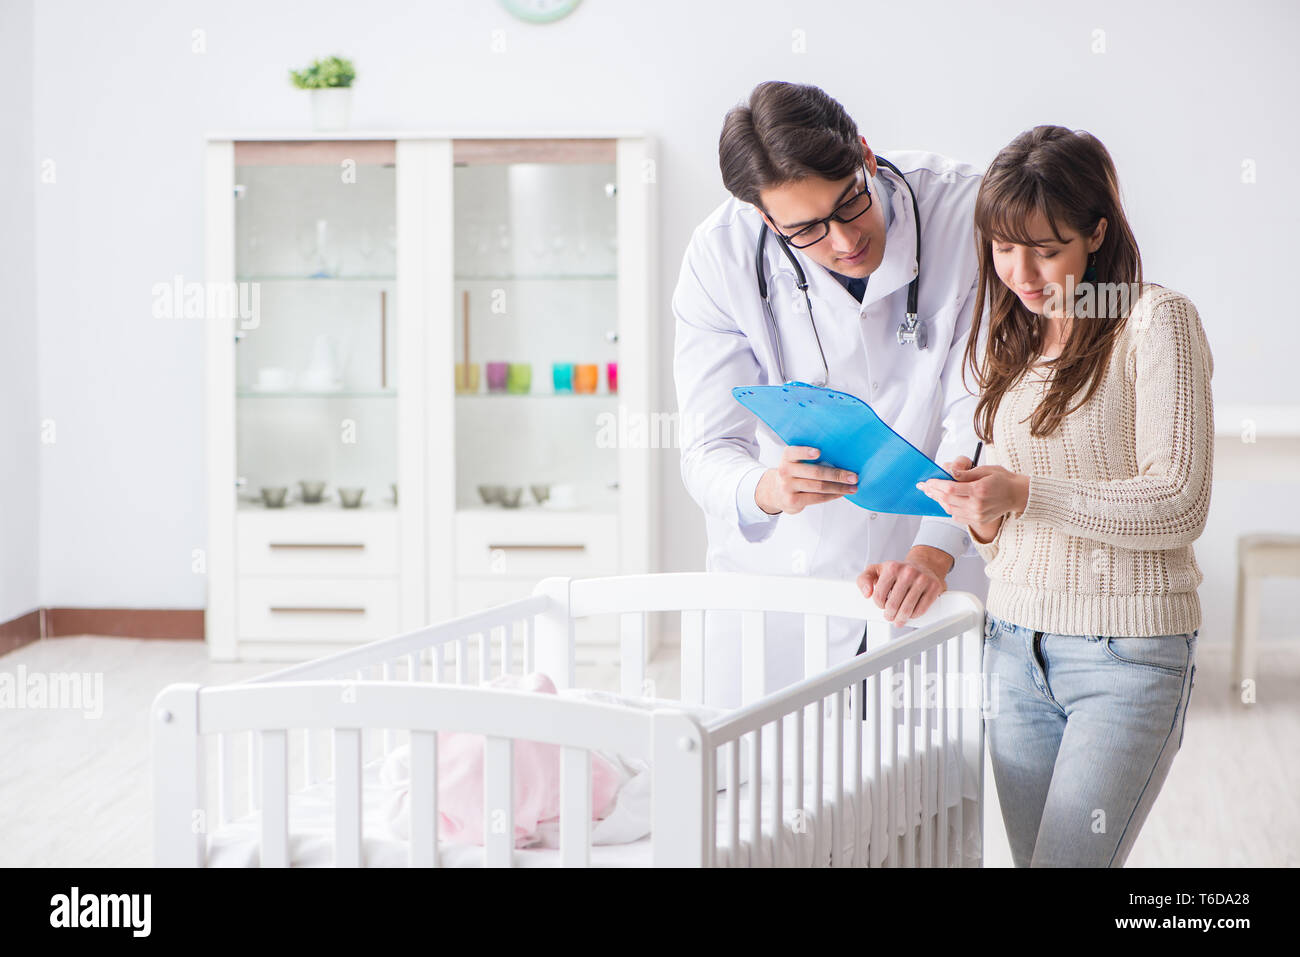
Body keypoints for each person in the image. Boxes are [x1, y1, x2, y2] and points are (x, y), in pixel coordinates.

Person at [918, 125, 1213, 867]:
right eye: (1003, 246)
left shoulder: (1155, 321)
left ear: (1097, 234)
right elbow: (1017, 518)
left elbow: (1178, 500)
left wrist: (1024, 490)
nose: (1021, 270)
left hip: (1126, 656)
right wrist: (984, 513)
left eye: (1047, 249)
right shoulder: (1010, 340)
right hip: (1013, 647)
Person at [672, 80, 988, 709]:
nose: (844, 241)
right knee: (748, 789)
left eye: (850, 204)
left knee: (926, 796)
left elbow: (978, 408)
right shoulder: (720, 257)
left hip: (932, 571)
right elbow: (708, 446)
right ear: (765, 219)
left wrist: (932, 552)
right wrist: (766, 488)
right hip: (781, 590)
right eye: (807, 230)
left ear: (866, 156)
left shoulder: (964, 211)